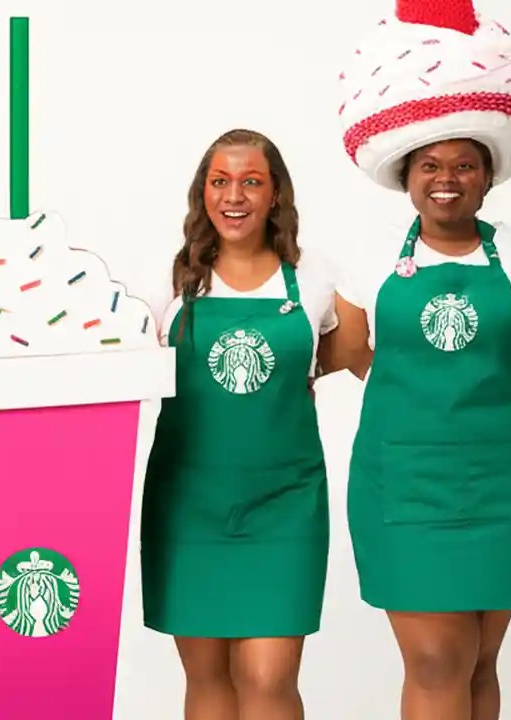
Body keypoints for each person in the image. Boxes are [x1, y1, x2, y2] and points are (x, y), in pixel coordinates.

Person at [330, 2, 511, 718]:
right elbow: (347, 353)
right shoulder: (370, 258)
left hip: (503, 481)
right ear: (407, 175)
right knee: (436, 658)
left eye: (465, 164)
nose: (448, 177)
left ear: (490, 177)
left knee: (483, 664)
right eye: (431, 165)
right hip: (405, 483)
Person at [139, 128, 340, 720]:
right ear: (202, 194)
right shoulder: (168, 286)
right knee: (206, 680)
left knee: (268, 678)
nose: (235, 196)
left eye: (252, 182)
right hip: (188, 503)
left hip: (285, 504)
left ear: (276, 194)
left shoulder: (318, 281)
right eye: (220, 182)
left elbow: (374, 364)